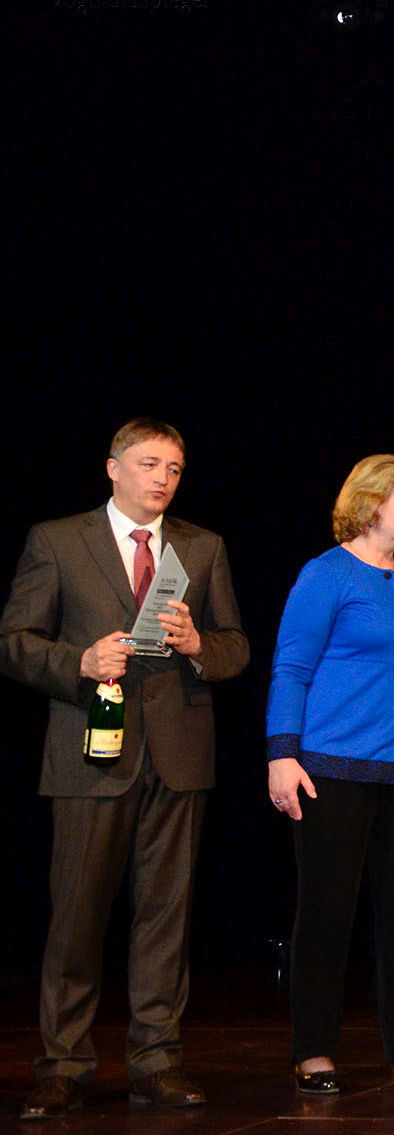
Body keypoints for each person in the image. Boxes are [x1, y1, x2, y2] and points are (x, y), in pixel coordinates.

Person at [1, 419, 249, 1119]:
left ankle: (156, 1063)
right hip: (91, 755)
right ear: (113, 468)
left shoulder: (202, 547)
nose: (163, 478)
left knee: (165, 919)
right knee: (77, 916)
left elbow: (235, 647)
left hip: (178, 757)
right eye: (148, 464)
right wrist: (76, 662)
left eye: (174, 466)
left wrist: (201, 644)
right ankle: (64, 1066)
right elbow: (14, 642)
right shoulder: (58, 540)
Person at [265, 455, 394, 1096]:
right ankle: (313, 1049)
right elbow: (291, 668)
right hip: (332, 768)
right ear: (373, 504)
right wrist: (280, 755)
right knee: (327, 910)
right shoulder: (326, 574)